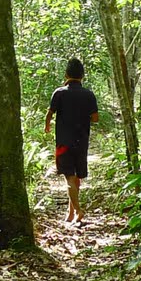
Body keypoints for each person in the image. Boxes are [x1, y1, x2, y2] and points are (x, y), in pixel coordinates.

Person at [45, 58, 99, 225]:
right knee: (77, 179)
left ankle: (77, 210)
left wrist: (47, 127)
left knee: (69, 178)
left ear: (66, 74)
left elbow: (49, 114)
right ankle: (71, 214)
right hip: (81, 142)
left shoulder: (59, 93)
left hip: (63, 143)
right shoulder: (89, 94)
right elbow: (95, 118)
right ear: (82, 76)